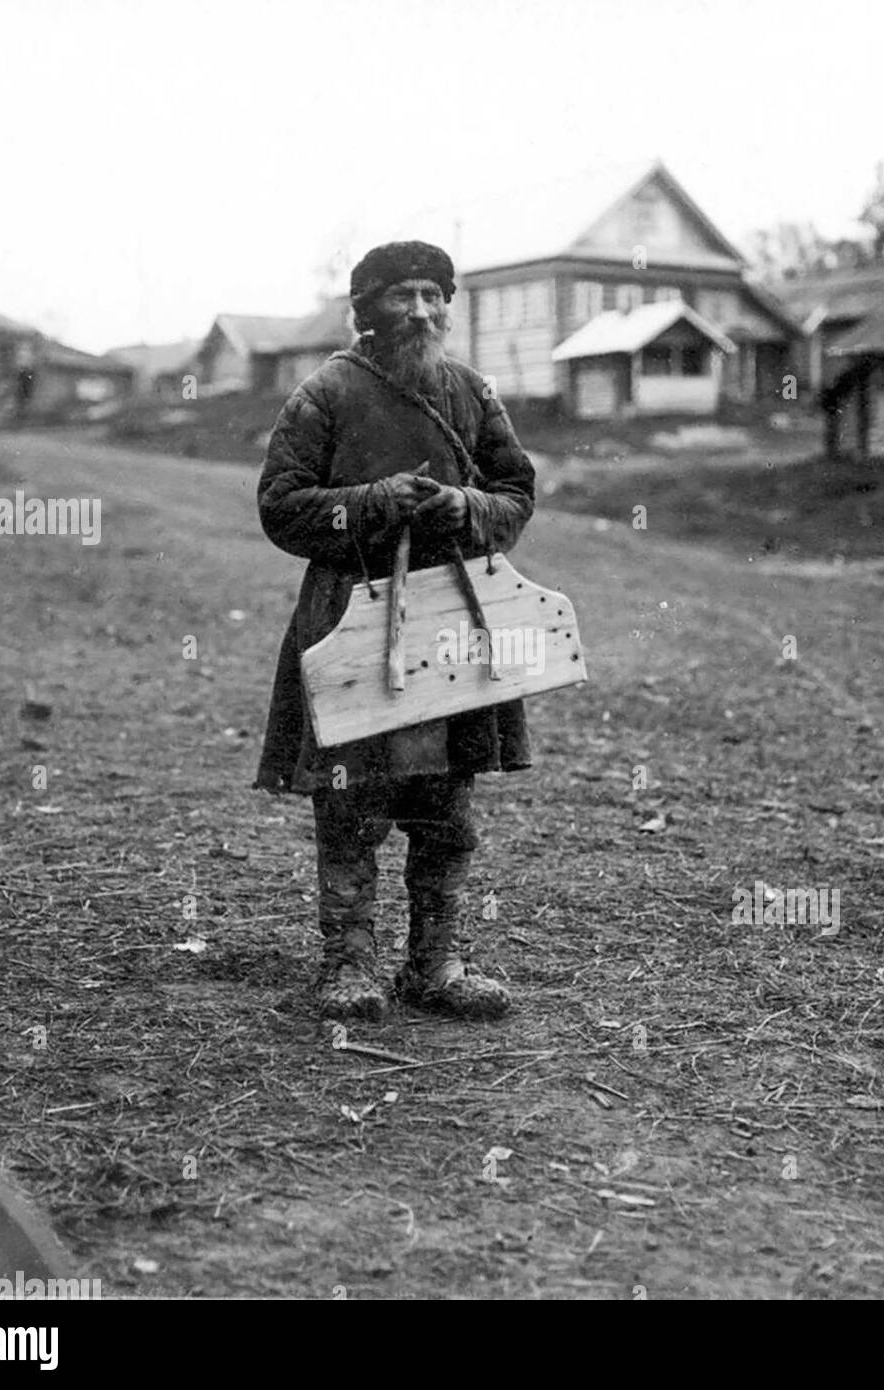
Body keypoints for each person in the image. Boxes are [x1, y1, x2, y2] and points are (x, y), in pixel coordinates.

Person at [254, 241, 535, 1022]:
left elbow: (516, 491)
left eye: (434, 295)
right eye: (401, 295)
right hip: (352, 615)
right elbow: (280, 506)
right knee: (352, 801)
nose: (421, 311)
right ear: (365, 309)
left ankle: (436, 965)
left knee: (447, 803)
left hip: (452, 620)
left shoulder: (472, 392)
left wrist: (468, 509)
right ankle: (348, 965)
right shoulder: (325, 394)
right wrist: (372, 501)